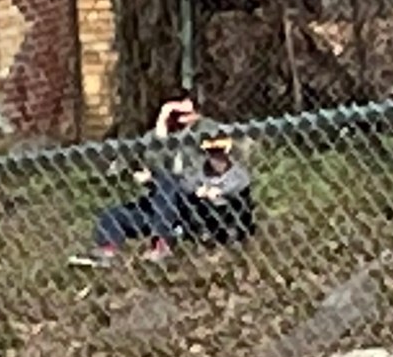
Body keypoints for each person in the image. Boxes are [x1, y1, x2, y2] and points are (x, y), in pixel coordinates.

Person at [73, 100, 256, 267]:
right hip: (162, 204)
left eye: (182, 107)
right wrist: (161, 126)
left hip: (193, 207)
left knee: (169, 181)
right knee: (114, 215)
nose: (178, 115)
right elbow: (142, 158)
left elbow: (197, 174)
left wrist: (205, 189)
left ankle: (162, 243)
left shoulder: (206, 130)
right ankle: (107, 252)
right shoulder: (164, 133)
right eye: (173, 109)